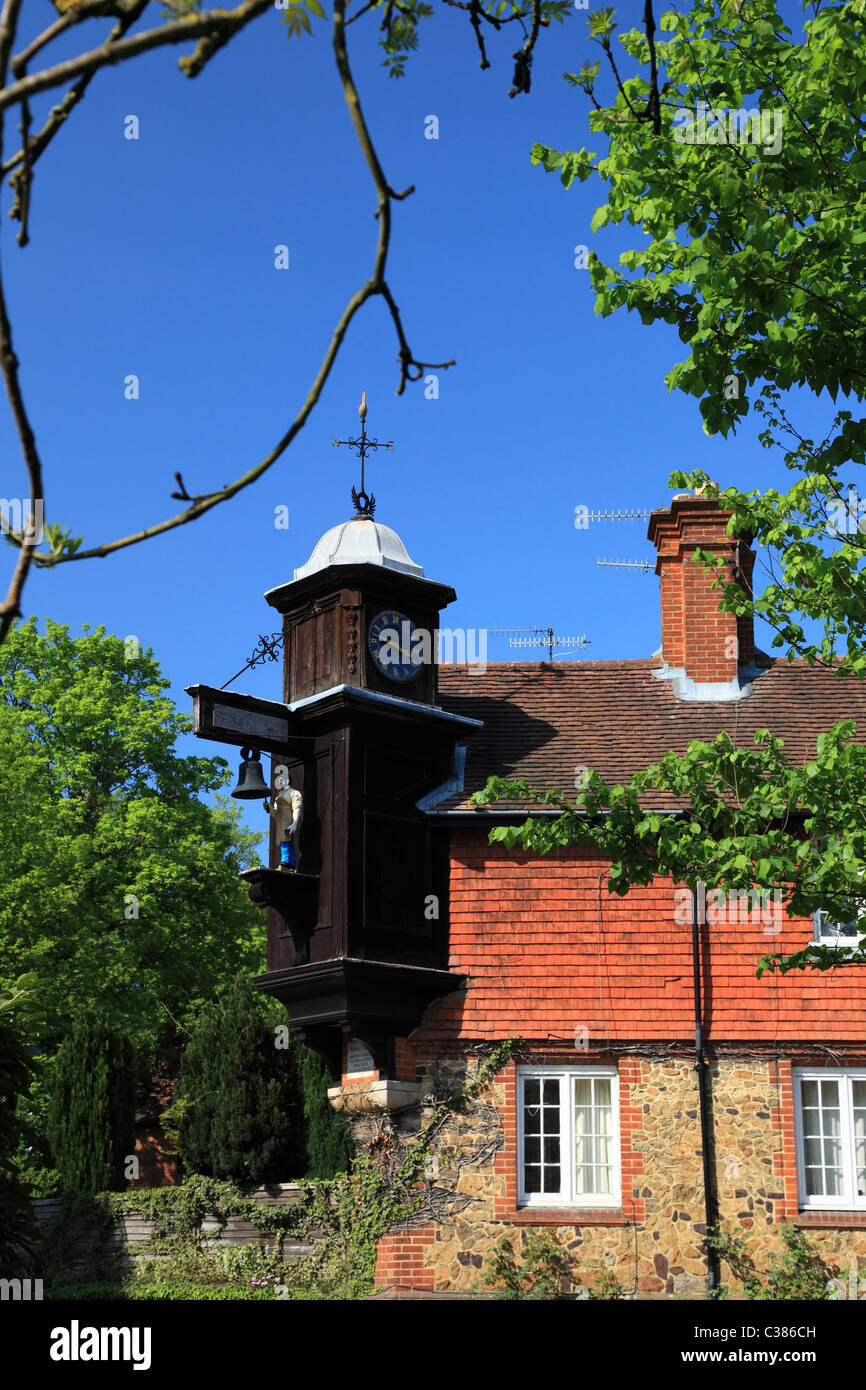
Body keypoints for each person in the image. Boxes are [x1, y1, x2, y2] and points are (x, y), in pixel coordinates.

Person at [264, 770, 303, 872]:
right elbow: (276, 814)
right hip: (280, 821)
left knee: (286, 839)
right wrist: (269, 808)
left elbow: (297, 808)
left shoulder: (294, 793)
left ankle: (285, 861)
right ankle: (292, 864)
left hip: (288, 819)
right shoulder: (279, 796)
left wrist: (294, 823)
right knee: (284, 841)